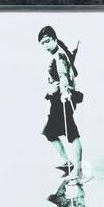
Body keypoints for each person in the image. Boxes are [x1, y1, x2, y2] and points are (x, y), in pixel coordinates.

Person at [38, 26, 83, 179]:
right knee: (50, 132)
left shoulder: (59, 56)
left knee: (72, 134)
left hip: (64, 98)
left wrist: (64, 92)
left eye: (48, 41)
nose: (45, 45)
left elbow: (64, 76)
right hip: (57, 99)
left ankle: (77, 170)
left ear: (55, 39)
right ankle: (68, 164)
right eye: (43, 43)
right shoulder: (58, 54)